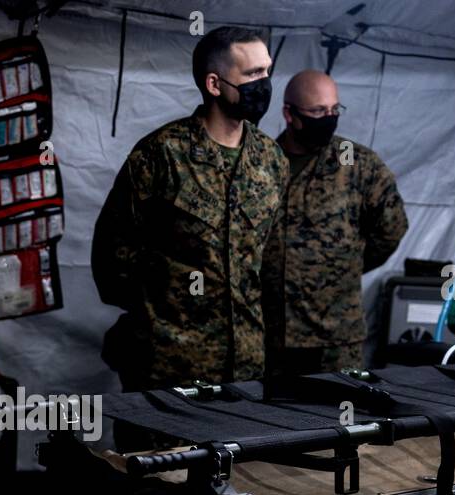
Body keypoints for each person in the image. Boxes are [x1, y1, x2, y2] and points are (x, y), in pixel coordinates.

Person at [93, 26, 288, 392]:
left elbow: (270, 258)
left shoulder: (271, 159)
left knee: (243, 451)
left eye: (266, 71)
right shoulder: (161, 155)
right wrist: (163, 311)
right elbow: (112, 259)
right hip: (168, 366)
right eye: (252, 74)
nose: (264, 83)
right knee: (159, 453)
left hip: (244, 366)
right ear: (214, 84)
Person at [264, 70, 408, 375]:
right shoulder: (261, 161)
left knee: (336, 416)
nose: (328, 118)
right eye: (317, 111)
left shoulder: (357, 163)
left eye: (334, 110)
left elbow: (391, 228)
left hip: (335, 337)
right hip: (268, 333)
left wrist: (346, 267)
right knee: (267, 418)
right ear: (289, 114)